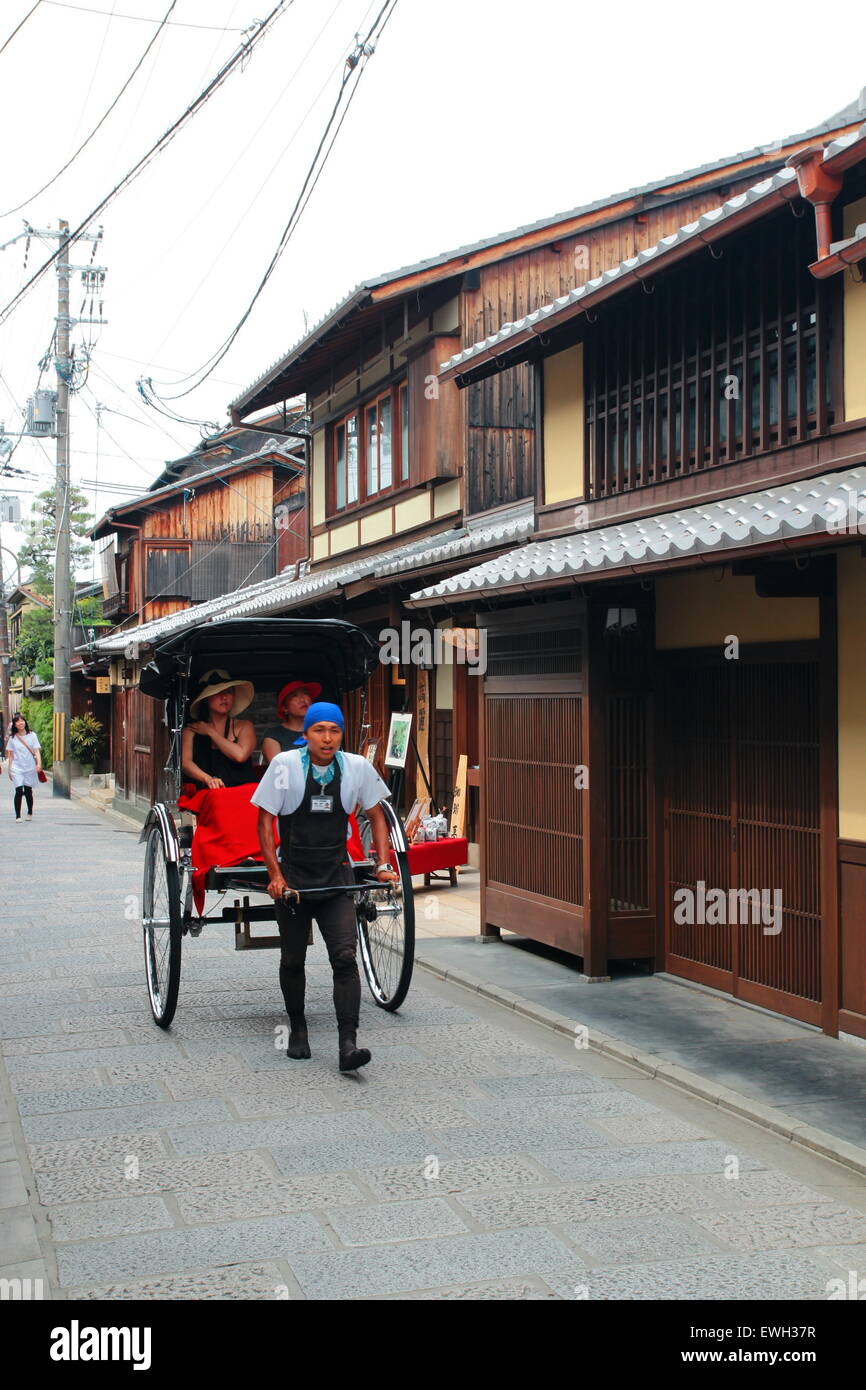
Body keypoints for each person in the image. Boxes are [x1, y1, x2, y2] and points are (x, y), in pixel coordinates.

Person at [252, 701, 398, 1072]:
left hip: (336, 877)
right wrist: (275, 875)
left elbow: (376, 816)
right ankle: (298, 1028)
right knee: (292, 958)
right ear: (306, 734)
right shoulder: (285, 766)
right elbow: (265, 821)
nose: (327, 738)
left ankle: (347, 1044)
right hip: (295, 880)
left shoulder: (356, 767)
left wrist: (382, 865)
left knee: (345, 958)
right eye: (319, 730)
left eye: (334, 730)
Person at [181, 669, 257, 791]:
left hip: (245, 791)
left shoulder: (245, 726)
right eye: (217, 692)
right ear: (205, 698)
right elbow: (185, 763)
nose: (224, 697)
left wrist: (211, 732)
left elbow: (240, 756)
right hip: (211, 793)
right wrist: (208, 779)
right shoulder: (191, 730)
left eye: (229, 692)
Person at [260, 679, 322, 763]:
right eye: (294, 695)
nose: (302, 699)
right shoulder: (273, 734)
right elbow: (279, 769)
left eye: (305, 693)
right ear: (284, 708)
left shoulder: (322, 731)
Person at [6, 712, 42, 820]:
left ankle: (30, 812)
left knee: (28, 791)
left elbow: (36, 751)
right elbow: (11, 755)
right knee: (18, 790)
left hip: (30, 767)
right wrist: (9, 769)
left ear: (25, 722)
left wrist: (39, 764)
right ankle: (18, 816)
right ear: (15, 724)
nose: (20, 723)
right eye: (18, 721)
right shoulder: (13, 738)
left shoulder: (32, 735)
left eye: (22, 720)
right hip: (17, 767)